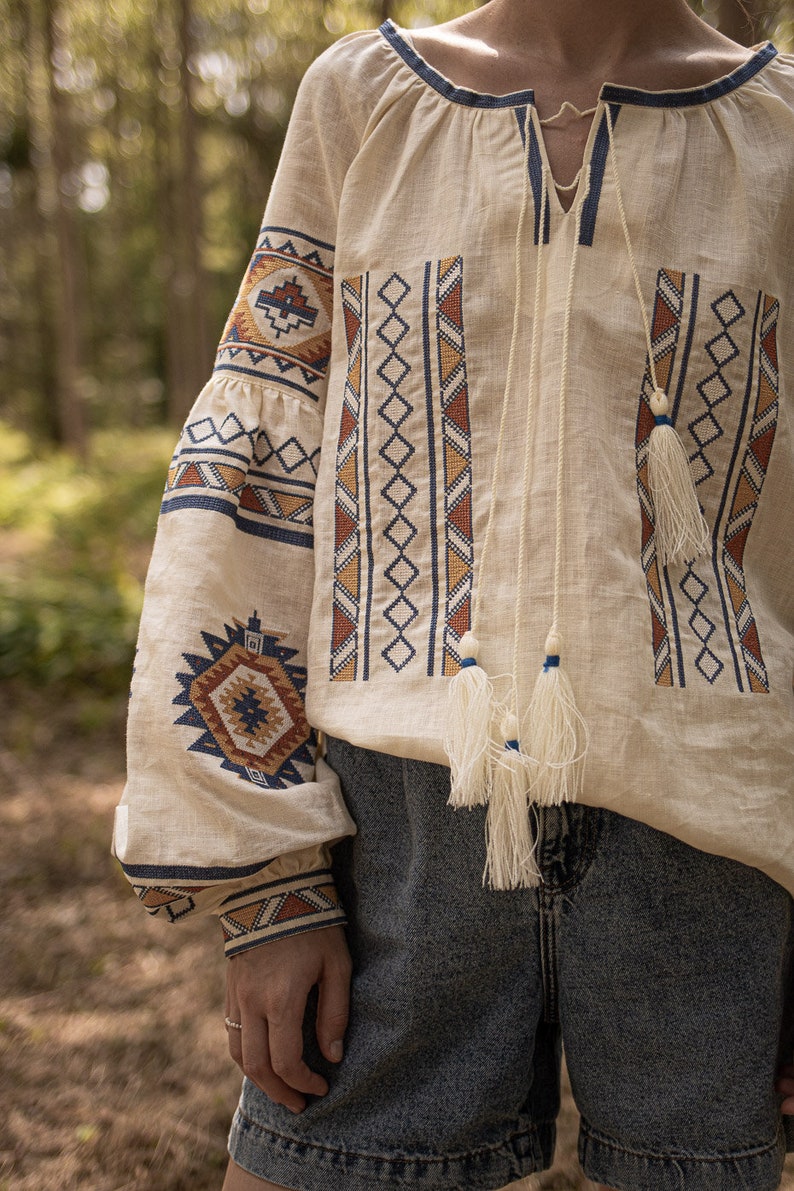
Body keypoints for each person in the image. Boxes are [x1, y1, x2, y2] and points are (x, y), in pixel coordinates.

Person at [114, 0, 794, 1187]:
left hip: (720, 840)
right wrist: (266, 884)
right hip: (398, 834)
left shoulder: (780, 127)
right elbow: (255, 466)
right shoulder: (362, 101)